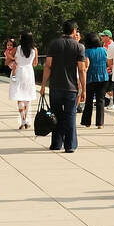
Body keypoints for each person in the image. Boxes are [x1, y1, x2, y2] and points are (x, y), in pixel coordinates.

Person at [40, 21, 87, 153]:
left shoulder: (54, 43)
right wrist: (83, 88)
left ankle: (56, 143)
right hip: (71, 87)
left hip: (55, 86)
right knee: (70, 115)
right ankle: (70, 145)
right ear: (74, 31)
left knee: (56, 115)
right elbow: (82, 69)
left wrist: (43, 85)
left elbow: (48, 65)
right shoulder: (79, 47)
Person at [80, 32, 109, 129]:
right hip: (103, 77)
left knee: (89, 100)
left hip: (90, 78)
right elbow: (108, 62)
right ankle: (100, 123)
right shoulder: (104, 50)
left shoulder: (86, 52)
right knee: (101, 100)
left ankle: (86, 122)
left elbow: (84, 66)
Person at [8, 32, 38, 129]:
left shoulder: (17, 49)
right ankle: (27, 120)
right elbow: (35, 63)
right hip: (29, 72)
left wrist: (14, 61)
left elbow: (8, 58)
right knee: (27, 97)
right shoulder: (34, 50)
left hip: (18, 71)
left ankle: (23, 120)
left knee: (19, 96)